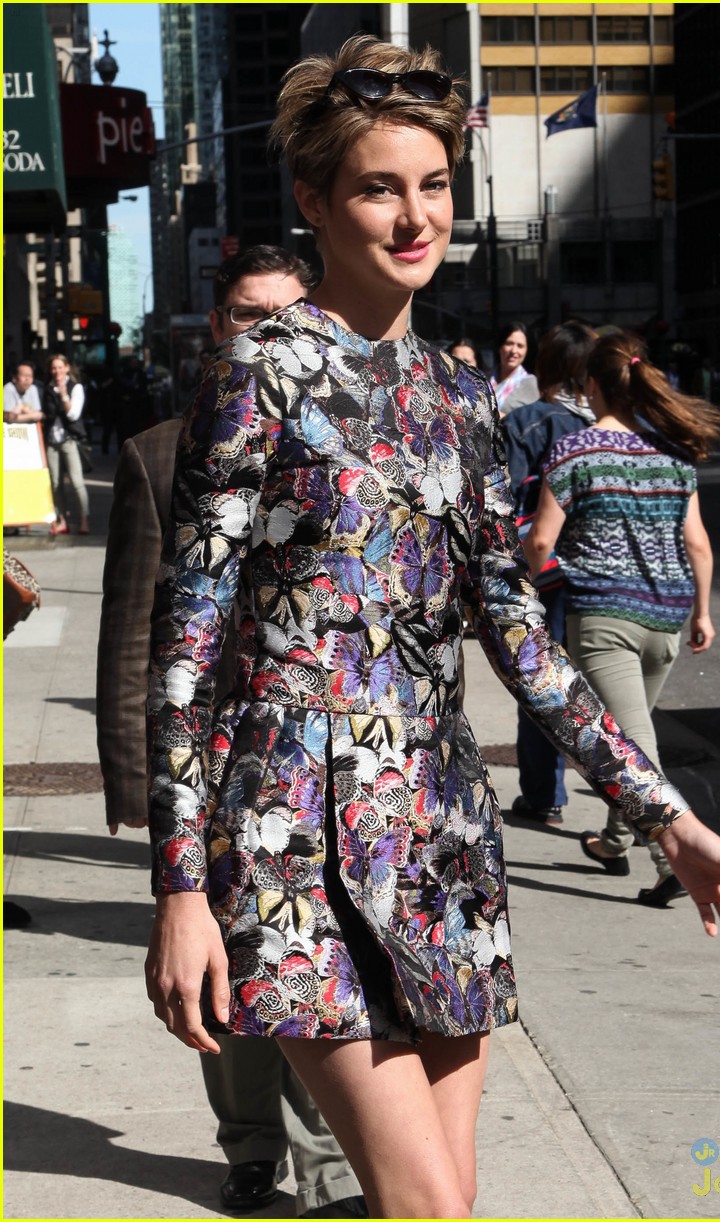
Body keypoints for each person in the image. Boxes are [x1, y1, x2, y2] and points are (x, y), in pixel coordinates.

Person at [144, 35, 720, 1221]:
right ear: (319, 201)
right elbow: (187, 645)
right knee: (422, 1201)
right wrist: (180, 887)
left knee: (448, 1207)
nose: (414, 214)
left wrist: (666, 821)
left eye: (433, 184)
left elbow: (523, 640)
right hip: (291, 831)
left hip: (437, 831)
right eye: (381, 186)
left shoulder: (461, 398)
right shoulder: (257, 375)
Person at [97, 245, 365, 1219]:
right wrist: (138, 783)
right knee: (229, 976)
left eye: (285, 316)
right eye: (247, 317)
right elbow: (134, 622)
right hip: (204, 762)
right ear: (216, 326)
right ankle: (250, 1147)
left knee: (312, 963)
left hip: (314, 759)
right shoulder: (159, 449)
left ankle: (329, 1166)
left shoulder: (351, 438)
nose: (265, 336)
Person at [524, 332, 720, 907]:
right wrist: (703, 612)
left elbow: (540, 542)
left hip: (603, 617)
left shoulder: (575, 452)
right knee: (631, 742)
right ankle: (614, 841)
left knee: (632, 744)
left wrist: (537, 585)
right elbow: (699, 544)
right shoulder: (672, 453)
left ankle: (669, 861)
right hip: (667, 618)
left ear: (589, 385)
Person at [502, 321, 598, 822]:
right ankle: (619, 804)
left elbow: (507, 498)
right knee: (603, 688)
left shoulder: (526, 422)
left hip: (546, 569)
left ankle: (544, 795)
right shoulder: (605, 428)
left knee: (542, 680)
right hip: (600, 576)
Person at [42, 353, 89, 536]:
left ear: (67, 367)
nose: (57, 371)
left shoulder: (75, 388)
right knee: (55, 483)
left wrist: (63, 395)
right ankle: (63, 520)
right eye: (53, 368)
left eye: (60, 367)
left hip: (69, 440)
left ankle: (84, 519)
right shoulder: (47, 389)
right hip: (52, 441)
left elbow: (73, 415)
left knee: (77, 482)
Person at [490, 321, 538, 415]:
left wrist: (503, 418)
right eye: (509, 343)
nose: (514, 351)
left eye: (520, 346)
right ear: (500, 346)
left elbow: (532, 421)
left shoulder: (531, 384)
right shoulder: (484, 379)